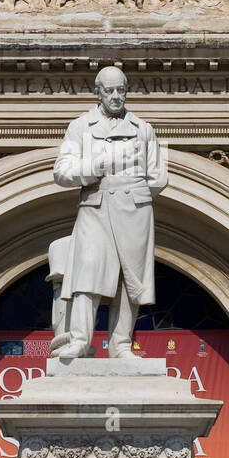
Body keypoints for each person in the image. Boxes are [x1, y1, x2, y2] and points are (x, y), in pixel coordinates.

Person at [51, 67, 167, 358]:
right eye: (109, 91)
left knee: (131, 280)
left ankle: (121, 344)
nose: (116, 97)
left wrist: (131, 193)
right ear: (98, 92)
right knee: (87, 271)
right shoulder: (81, 126)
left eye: (121, 90)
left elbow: (158, 176)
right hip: (96, 207)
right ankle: (79, 340)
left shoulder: (143, 129)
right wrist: (96, 169)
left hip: (135, 211)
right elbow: (62, 172)